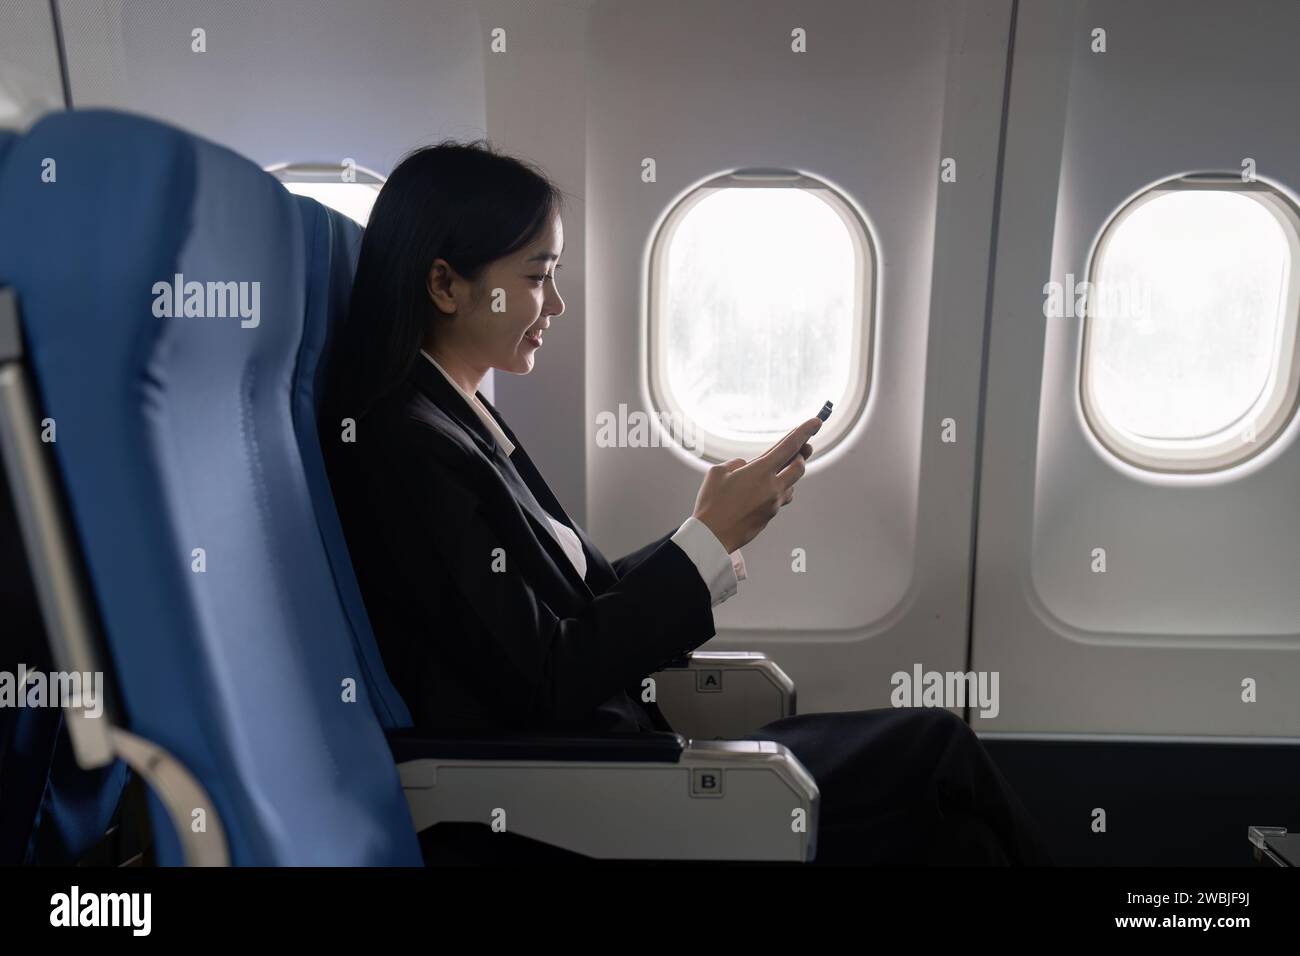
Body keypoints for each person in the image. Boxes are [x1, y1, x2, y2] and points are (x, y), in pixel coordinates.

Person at [321, 139, 1052, 866]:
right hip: (580, 794)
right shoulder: (403, 446)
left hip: (619, 757)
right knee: (936, 753)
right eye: (538, 276)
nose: (558, 303)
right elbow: (546, 678)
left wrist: (714, 534)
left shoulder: (459, 417)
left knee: (954, 827)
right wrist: (701, 541)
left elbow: (579, 603)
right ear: (445, 285)